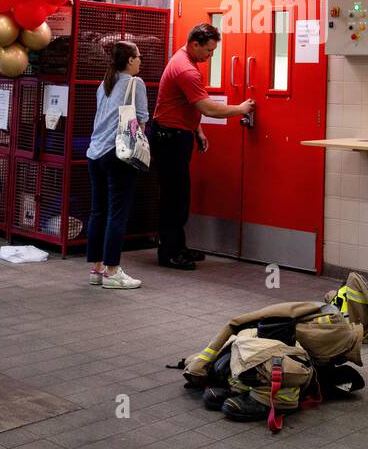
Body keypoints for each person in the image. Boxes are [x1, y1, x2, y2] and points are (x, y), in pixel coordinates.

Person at [150, 22, 253, 270]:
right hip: (170, 137)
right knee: (175, 197)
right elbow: (207, 107)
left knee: (179, 195)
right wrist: (240, 109)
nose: (211, 56)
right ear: (195, 44)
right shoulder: (186, 69)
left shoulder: (184, 57)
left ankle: (178, 246)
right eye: (208, 51)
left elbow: (184, 104)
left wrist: (197, 129)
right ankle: (169, 253)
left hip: (176, 133)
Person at [85, 40, 149, 289]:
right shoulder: (136, 83)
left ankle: (97, 268)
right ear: (130, 60)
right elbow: (142, 120)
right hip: (119, 153)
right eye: (139, 57)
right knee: (117, 214)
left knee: (98, 211)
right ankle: (113, 271)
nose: (141, 61)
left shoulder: (105, 84)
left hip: (95, 152)